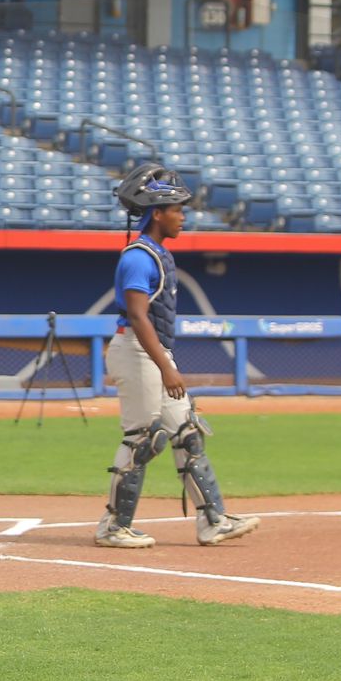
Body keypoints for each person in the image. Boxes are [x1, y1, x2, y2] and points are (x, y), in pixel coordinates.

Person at [96, 164, 260, 549]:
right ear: (157, 214)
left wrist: (165, 362)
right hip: (137, 352)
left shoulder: (158, 253)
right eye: (176, 210)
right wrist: (166, 367)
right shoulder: (139, 257)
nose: (183, 217)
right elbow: (138, 316)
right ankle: (113, 526)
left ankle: (213, 521)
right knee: (143, 438)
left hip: (152, 353)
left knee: (187, 433)